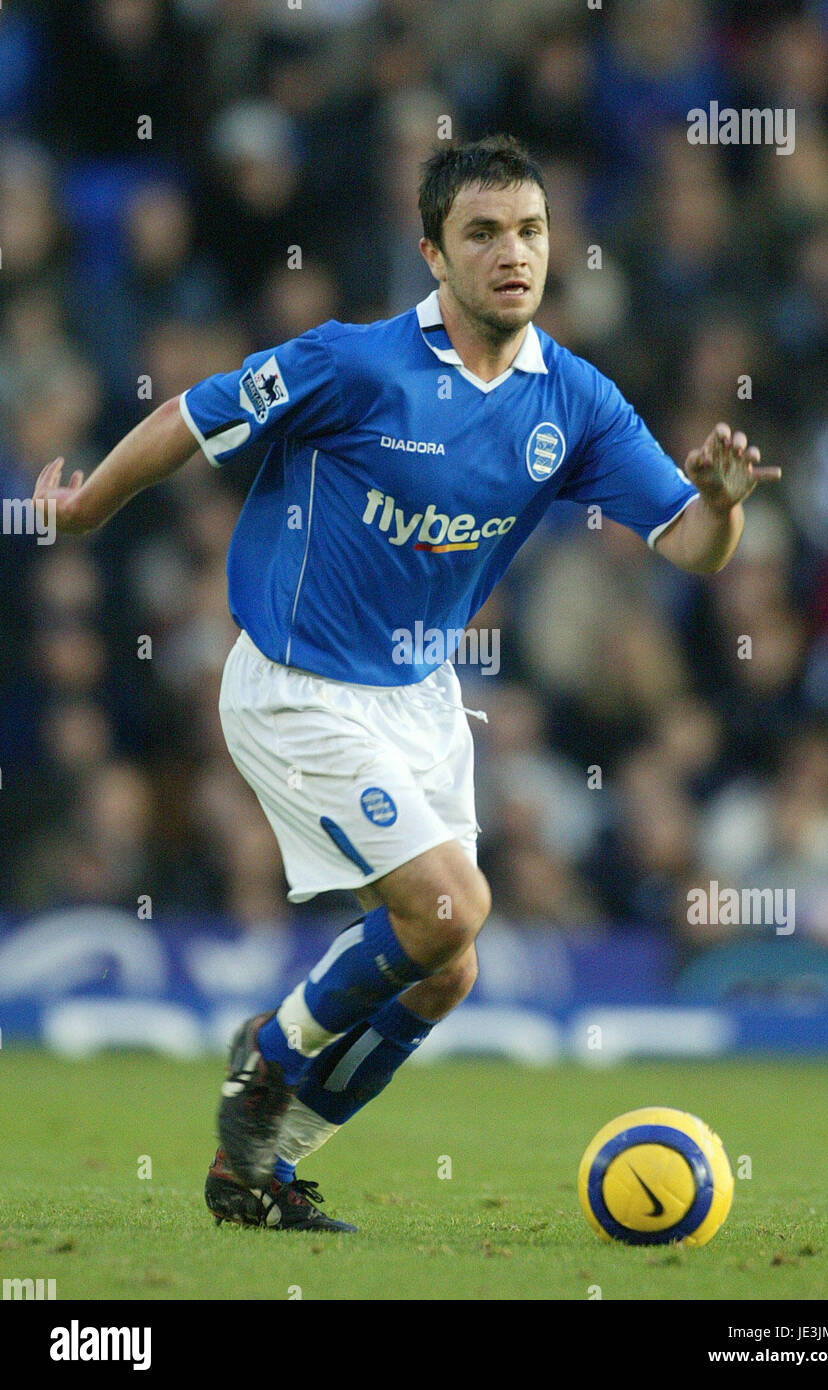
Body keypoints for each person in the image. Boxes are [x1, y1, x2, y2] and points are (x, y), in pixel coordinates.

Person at [32, 135, 780, 1233]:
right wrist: (89, 505)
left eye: (527, 230)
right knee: (451, 907)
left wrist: (720, 508)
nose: (511, 253)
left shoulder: (571, 400)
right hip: (295, 685)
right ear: (432, 251)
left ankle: (260, 1169)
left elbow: (685, 546)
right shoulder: (354, 363)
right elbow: (195, 415)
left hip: (420, 699)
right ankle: (267, 1057)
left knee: (446, 969)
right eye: (481, 233)